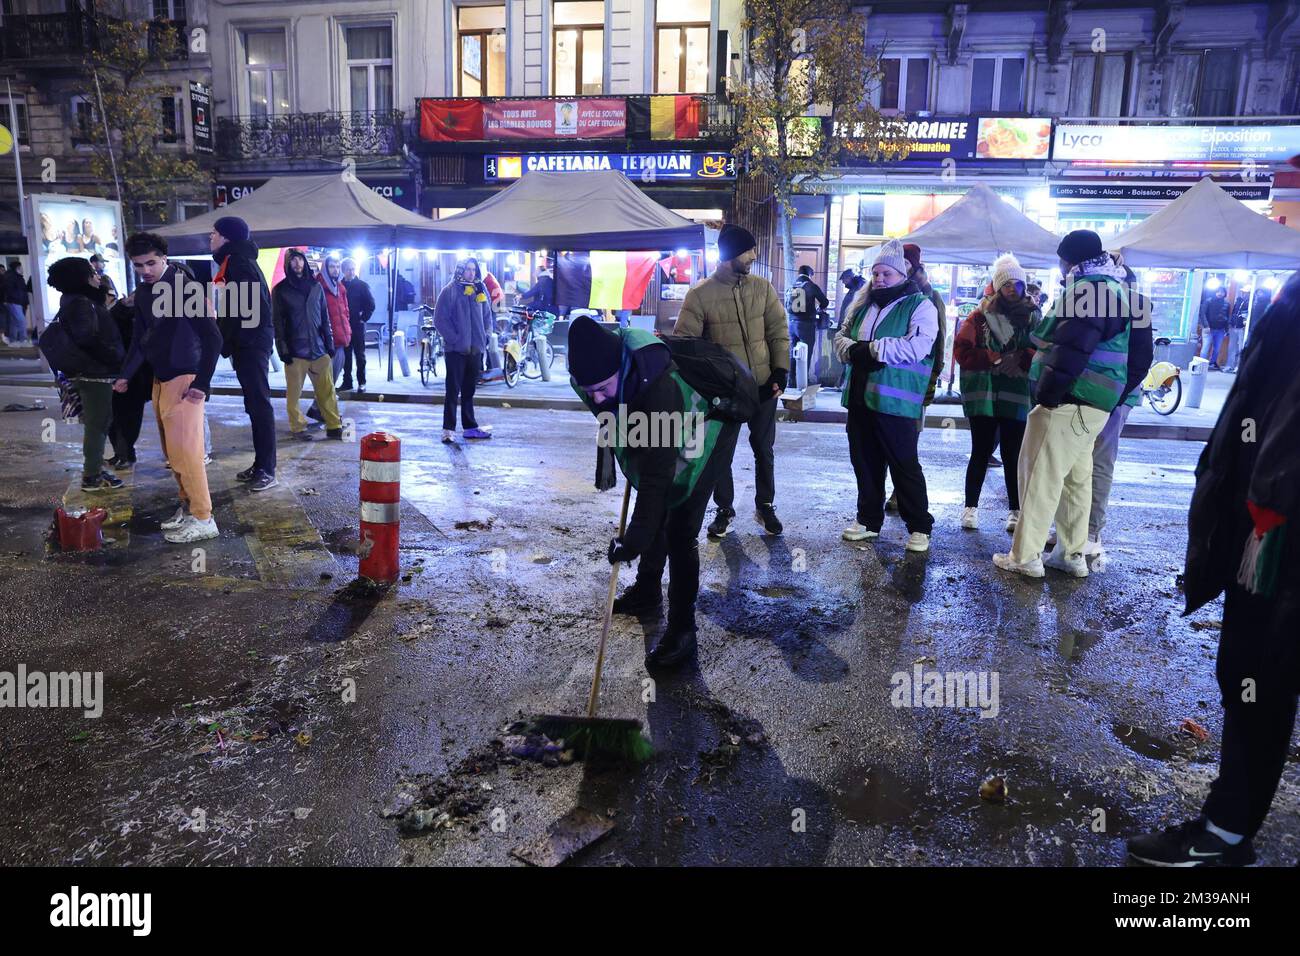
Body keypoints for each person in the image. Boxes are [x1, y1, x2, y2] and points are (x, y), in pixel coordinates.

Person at [1127, 272, 1300, 867]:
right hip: (1265, 525)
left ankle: (1226, 835)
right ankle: (1228, 826)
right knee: (1253, 681)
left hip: (1277, 534)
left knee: (1259, 680)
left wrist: (1264, 510)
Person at [568, 315, 741, 670]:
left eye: (603, 388)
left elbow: (658, 477)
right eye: (591, 392)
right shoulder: (609, 378)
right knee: (657, 507)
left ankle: (682, 633)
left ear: (621, 368)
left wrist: (632, 542)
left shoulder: (660, 390)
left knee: (679, 529)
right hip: (664, 427)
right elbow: (635, 447)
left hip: (708, 430)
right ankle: (648, 590)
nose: (597, 398)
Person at [994, 230, 1131, 579]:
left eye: (1061, 261)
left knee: (1040, 476)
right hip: (1099, 402)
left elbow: (1069, 347)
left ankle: (1025, 556)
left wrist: (1048, 396)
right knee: (1076, 480)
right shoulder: (1117, 289)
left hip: (1071, 397)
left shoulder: (1085, 290)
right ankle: (1071, 555)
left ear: (1070, 260)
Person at [674, 224, 788, 537]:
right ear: (729, 255)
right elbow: (685, 345)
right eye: (747, 250)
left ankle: (765, 505)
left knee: (764, 449)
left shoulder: (762, 288)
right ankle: (724, 508)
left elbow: (778, 331)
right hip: (725, 394)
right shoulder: (699, 295)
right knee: (720, 455)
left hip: (764, 386)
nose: (753, 256)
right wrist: (706, 385)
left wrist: (781, 371)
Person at [833, 239, 938, 552]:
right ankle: (868, 520)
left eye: (887, 274)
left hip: (895, 401)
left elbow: (918, 346)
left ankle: (919, 526)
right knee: (864, 461)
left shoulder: (920, 305)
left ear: (902, 275)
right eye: (876, 273)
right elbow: (840, 337)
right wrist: (851, 349)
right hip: (859, 398)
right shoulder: (863, 305)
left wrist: (870, 350)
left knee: (903, 464)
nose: (879, 279)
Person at [117, 233, 222, 543]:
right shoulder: (145, 291)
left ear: (164, 257)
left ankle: (204, 518)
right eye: (138, 265)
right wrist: (125, 374)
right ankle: (189, 508)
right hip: (161, 380)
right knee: (174, 455)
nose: (145, 270)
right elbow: (140, 338)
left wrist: (202, 383)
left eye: (151, 262)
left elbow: (213, 337)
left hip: (186, 381)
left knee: (188, 455)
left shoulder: (185, 288)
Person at [953, 254, 1039, 533]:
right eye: (1007, 284)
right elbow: (962, 352)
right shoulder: (979, 317)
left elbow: (1043, 349)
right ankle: (970, 508)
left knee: (1013, 454)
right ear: (997, 286)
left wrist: (1022, 357)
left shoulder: (1033, 317)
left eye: (1018, 284)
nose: (1013, 289)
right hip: (985, 396)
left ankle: (1015, 511)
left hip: (1016, 395)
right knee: (980, 451)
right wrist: (996, 358)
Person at [1086, 261, 1153, 566]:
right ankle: (1073, 528)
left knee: (1099, 460)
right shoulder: (1096, 300)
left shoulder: (1136, 305)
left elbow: (1141, 359)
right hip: (1092, 393)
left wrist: (1118, 398)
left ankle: (1090, 531)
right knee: (1079, 461)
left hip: (1116, 396)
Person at [45, 257, 125, 491]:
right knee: (97, 425)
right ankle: (92, 475)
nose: (97, 276)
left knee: (96, 423)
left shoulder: (74, 300)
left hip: (87, 371)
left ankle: (95, 470)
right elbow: (87, 337)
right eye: (92, 273)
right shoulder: (81, 303)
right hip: (93, 373)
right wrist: (113, 356)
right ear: (82, 278)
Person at [210, 216, 276, 488]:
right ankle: (261, 464)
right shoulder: (235, 262)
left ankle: (267, 470)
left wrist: (230, 342)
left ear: (227, 237)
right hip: (247, 344)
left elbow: (251, 312)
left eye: (213, 234)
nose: (210, 239)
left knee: (259, 405)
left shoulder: (239, 264)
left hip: (251, 345)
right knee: (254, 405)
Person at [883, 244, 950, 512]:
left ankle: (902, 495)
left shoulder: (930, 298)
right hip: (887, 378)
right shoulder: (888, 290)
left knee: (906, 441)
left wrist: (933, 378)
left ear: (912, 266)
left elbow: (940, 342)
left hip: (913, 382)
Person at [273, 250, 343, 449]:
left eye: (300, 259)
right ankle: (298, 427)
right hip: (295, 351)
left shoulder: (315, 286)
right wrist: (282, 349)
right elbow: (278, 322)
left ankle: (333, 424)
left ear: (305, 262)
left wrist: (329, 343)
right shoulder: (281, 290)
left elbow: (325, 317)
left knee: (327, 390)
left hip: (319, 349)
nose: (297, 263)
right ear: (288, 264)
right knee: (294, 394)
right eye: (293, 260)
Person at [434, 257, 493, 443]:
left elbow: (487, 316)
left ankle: (470, 427)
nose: (471, 273)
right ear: (460, 270)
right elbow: (440, 319)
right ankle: (448, 430)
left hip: (476, 349)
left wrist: (486, 336)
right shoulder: (449, 291)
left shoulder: (480, 289)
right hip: (455, 351)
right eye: (468, 269)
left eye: (474, 269)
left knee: (469, 390)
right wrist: (455, 339)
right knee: (452, 390)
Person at [786, 264, 828, 382]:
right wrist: (819, 309)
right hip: (806, 325)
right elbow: (825, 302)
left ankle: (791, 380)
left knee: (793, 352)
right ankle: (804, 381)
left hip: (792, 323)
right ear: (810, 274)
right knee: (806, 353)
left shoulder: (792, 286)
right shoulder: (811, 286)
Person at [339, 257, 373, 393]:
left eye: (353, 269)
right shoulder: (339, 286)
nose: (351, 272)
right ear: (343, 271)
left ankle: (362, 382)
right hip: (343, 327)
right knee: (346, 356)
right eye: (348, 270)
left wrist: (363, 318)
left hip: (357, 327)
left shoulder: (362, 286)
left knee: (360, 355)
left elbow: (371, 305)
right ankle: (347, 382)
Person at [1200, 286, 1229, 369]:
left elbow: (1227, 317)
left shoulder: (1226, 303)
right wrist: (1206, 326)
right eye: (1218, 291)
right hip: (1208, 329)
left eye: (1222, 292)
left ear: (1224, 294)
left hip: (1220, 330)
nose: (1220, 293)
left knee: (1217, 349)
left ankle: (1212, 363)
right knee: (1205, 347)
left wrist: (1226, 329)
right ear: (1215, 292)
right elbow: (1202, 314)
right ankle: (1202, 365)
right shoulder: (1208, 301)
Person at [3, 260, 29, 346]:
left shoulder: (15, 276)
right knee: (21, 321)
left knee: (14, 322)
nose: (22, 269)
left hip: (16, 302)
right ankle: (23, 340)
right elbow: (10, 290)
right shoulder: (12, 277)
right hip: (14, 302)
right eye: (21, 267)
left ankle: (13, 340)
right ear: (17, 268)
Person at [1225, 289, 1248, 373]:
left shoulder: (1251, 301)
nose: (1244, 293)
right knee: (1232, 347)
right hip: (1234, 326)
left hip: (1242, 328)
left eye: (1246, 292)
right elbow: (1234, 312)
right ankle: (1229, 365)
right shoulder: (1238, 301)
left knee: (1241, 348)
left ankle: (1238, 366)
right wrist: (1231, 323)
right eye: (1243, 292)